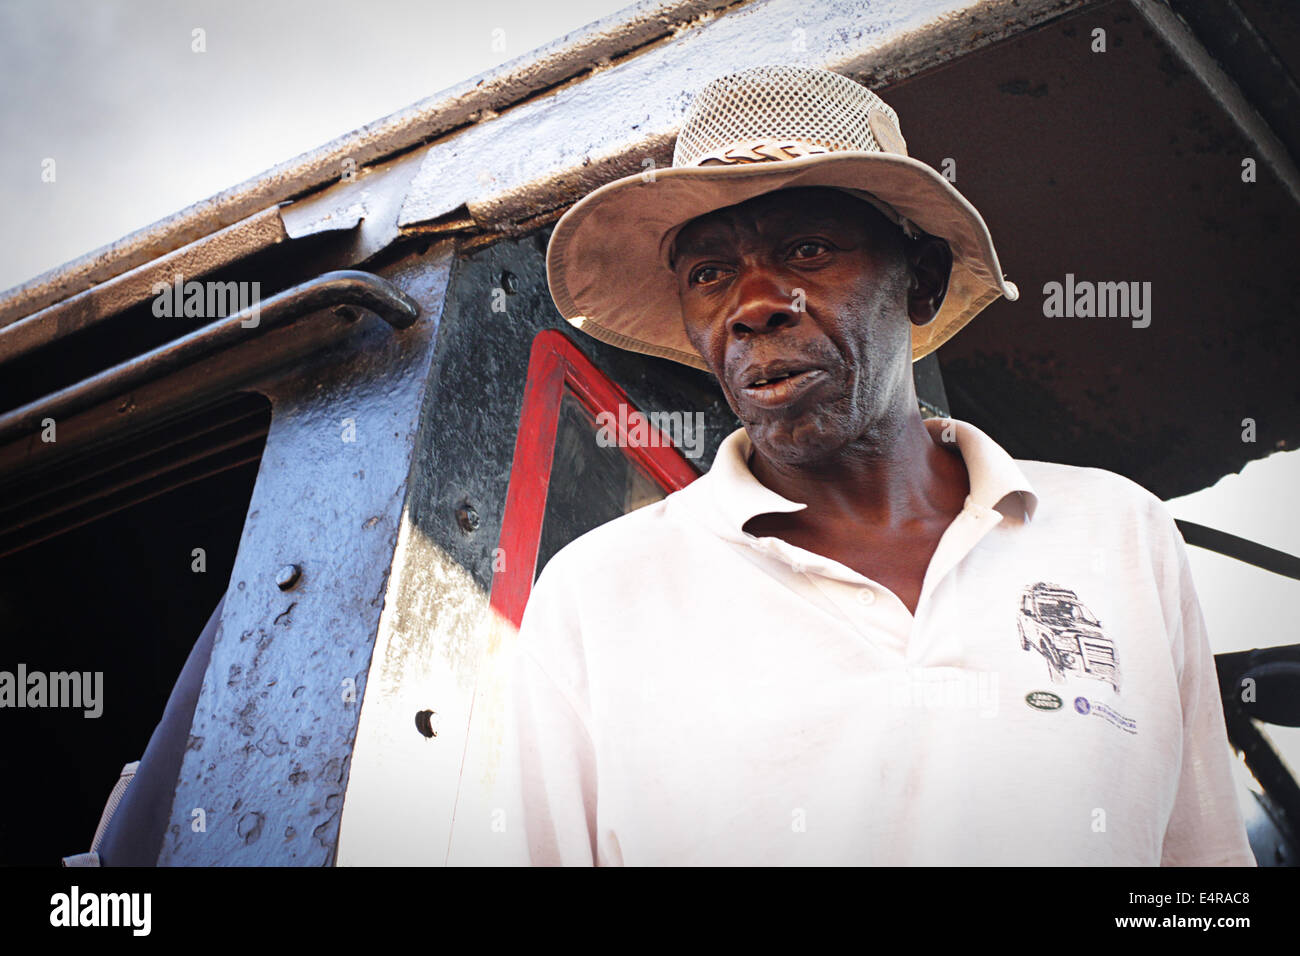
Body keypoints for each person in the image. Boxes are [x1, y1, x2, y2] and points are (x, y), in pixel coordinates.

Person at [469, 64, 1255, 865]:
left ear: (921, 281)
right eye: (709, 274)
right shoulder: (600, 594)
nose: (754, 302)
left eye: (807, 249)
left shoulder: (1116, 533)